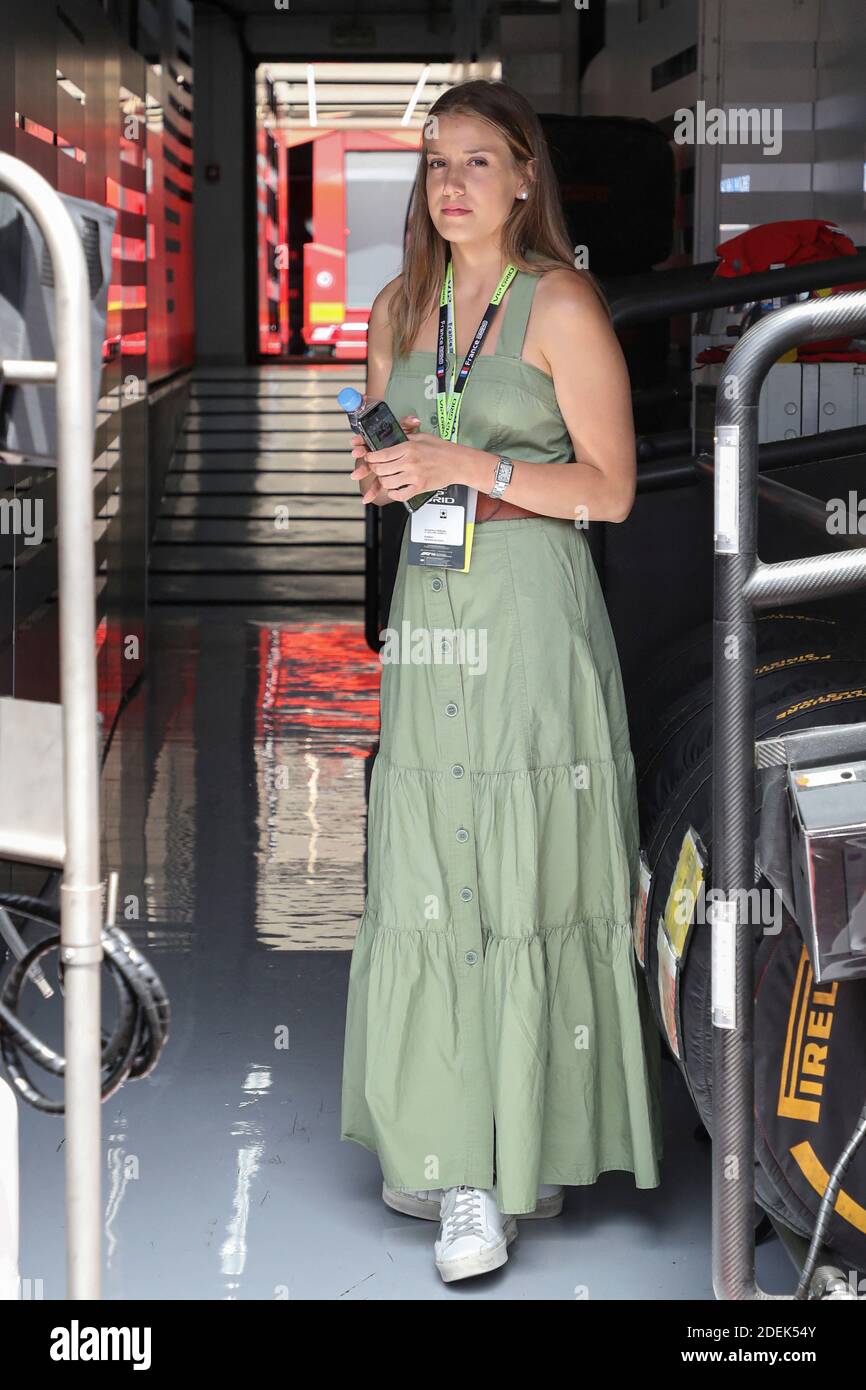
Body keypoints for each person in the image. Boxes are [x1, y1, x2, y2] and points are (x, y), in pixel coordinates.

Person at [339, 77, 663, 1285]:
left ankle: (492, 1171)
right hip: (432, 618)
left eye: (480, 160)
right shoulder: (398, 304)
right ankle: (443, 1126)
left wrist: (471, 464)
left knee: (513, 871)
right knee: (431, 867)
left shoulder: (560, 301)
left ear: (525, 177)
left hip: (530, 614)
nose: (453, 181)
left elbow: (611, 491)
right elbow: (387, 468)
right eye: (436, 162)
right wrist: (385, 474)